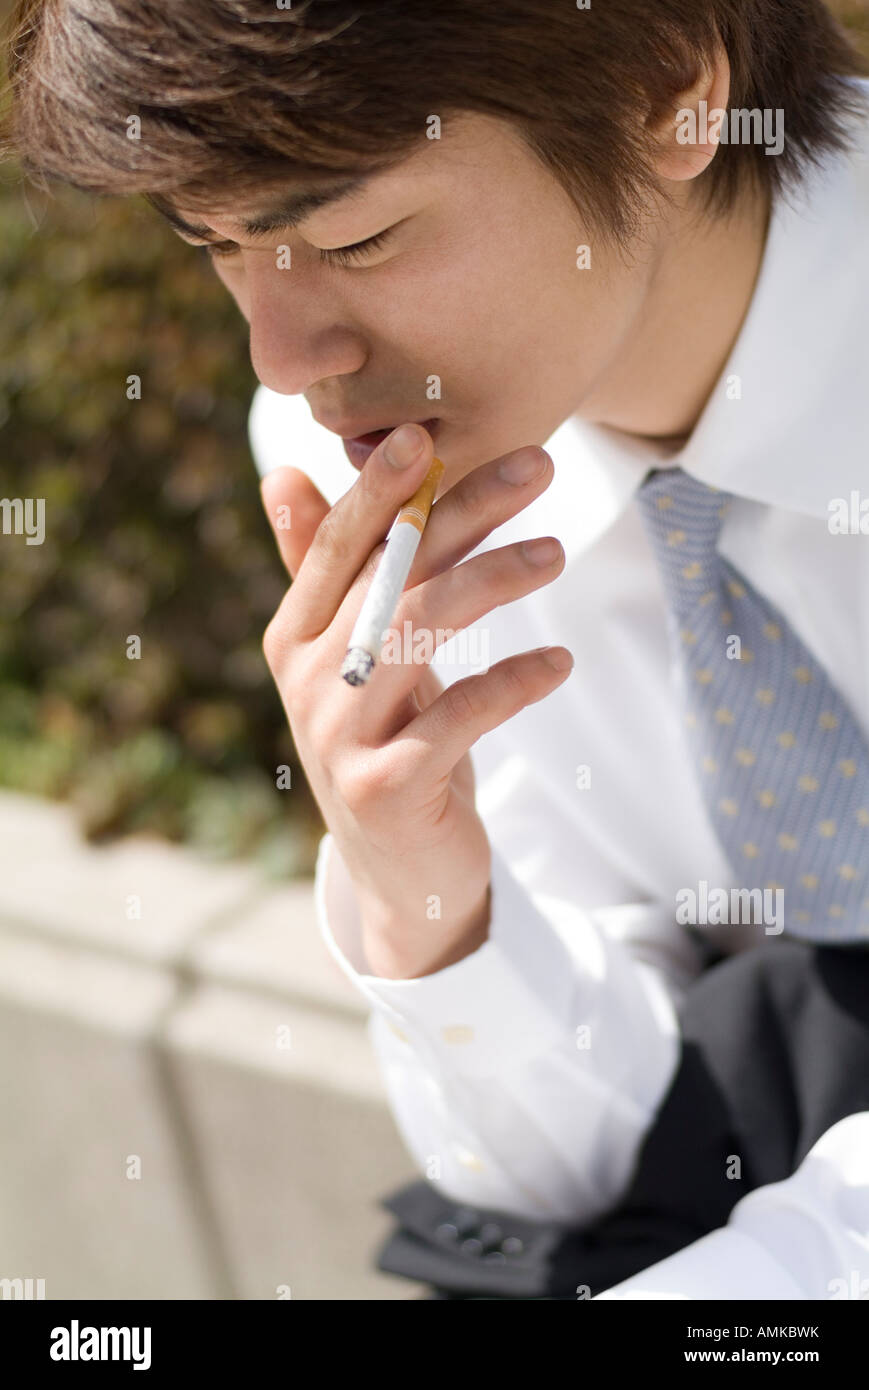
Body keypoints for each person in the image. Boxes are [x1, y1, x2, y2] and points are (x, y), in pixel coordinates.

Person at [3, 0, 868, 1300]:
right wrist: (429, 901)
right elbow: (579, 1177)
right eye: (216, 242)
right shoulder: (360, 471)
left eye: (353, 236)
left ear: (668, 87)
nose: (282, 360)